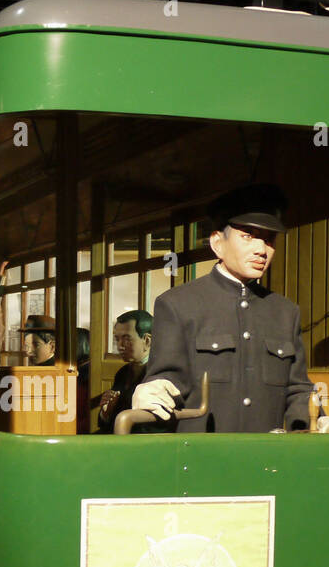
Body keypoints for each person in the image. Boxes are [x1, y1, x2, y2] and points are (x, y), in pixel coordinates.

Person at [132, 184, 313, 432]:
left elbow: (297, 389)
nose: (261, 250)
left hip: (268, 460)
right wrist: (151, 388)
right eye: (248, 236)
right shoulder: (178, 304)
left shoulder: (285, 312)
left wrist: (315, 424)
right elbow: (167, 379)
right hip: (200, 458)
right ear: (218, 243)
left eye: (269, 240)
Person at [96, 309, 153, 432]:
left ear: (147, 341)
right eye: (117, 339)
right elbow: (107, 422)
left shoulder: (160, 372)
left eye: (127, 339)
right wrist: (106, 412)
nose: (120, 345)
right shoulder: (123, 372)